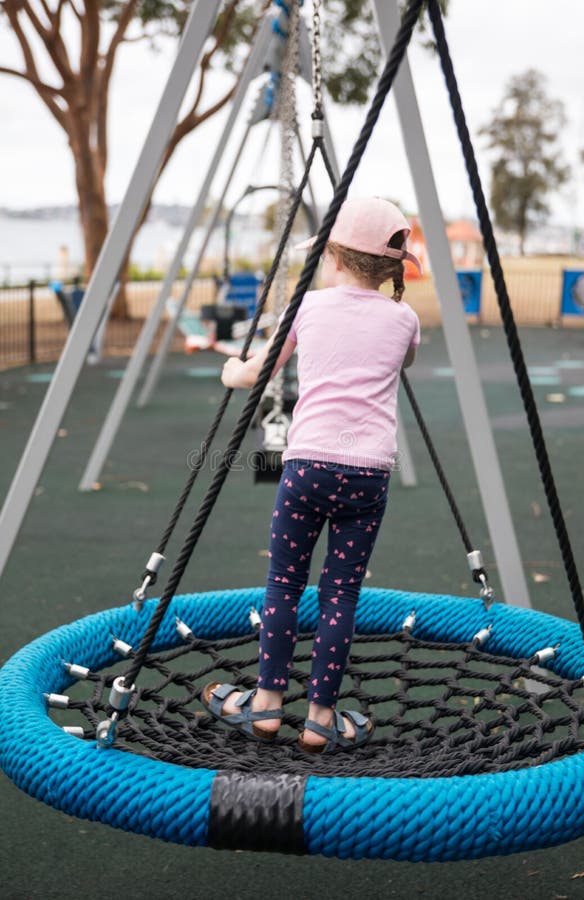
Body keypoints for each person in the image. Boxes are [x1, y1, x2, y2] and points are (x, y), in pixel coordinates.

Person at [202, 197, 421, 753]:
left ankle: (268, 704)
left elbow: (256, 374)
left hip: (307, 468)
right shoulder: (404, 318)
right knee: (339, 594)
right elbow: (405, 360)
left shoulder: (308, 307)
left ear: (335, 258)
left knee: (283, 584)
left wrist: (232, 370)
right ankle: (321, 717)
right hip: (368, 476)